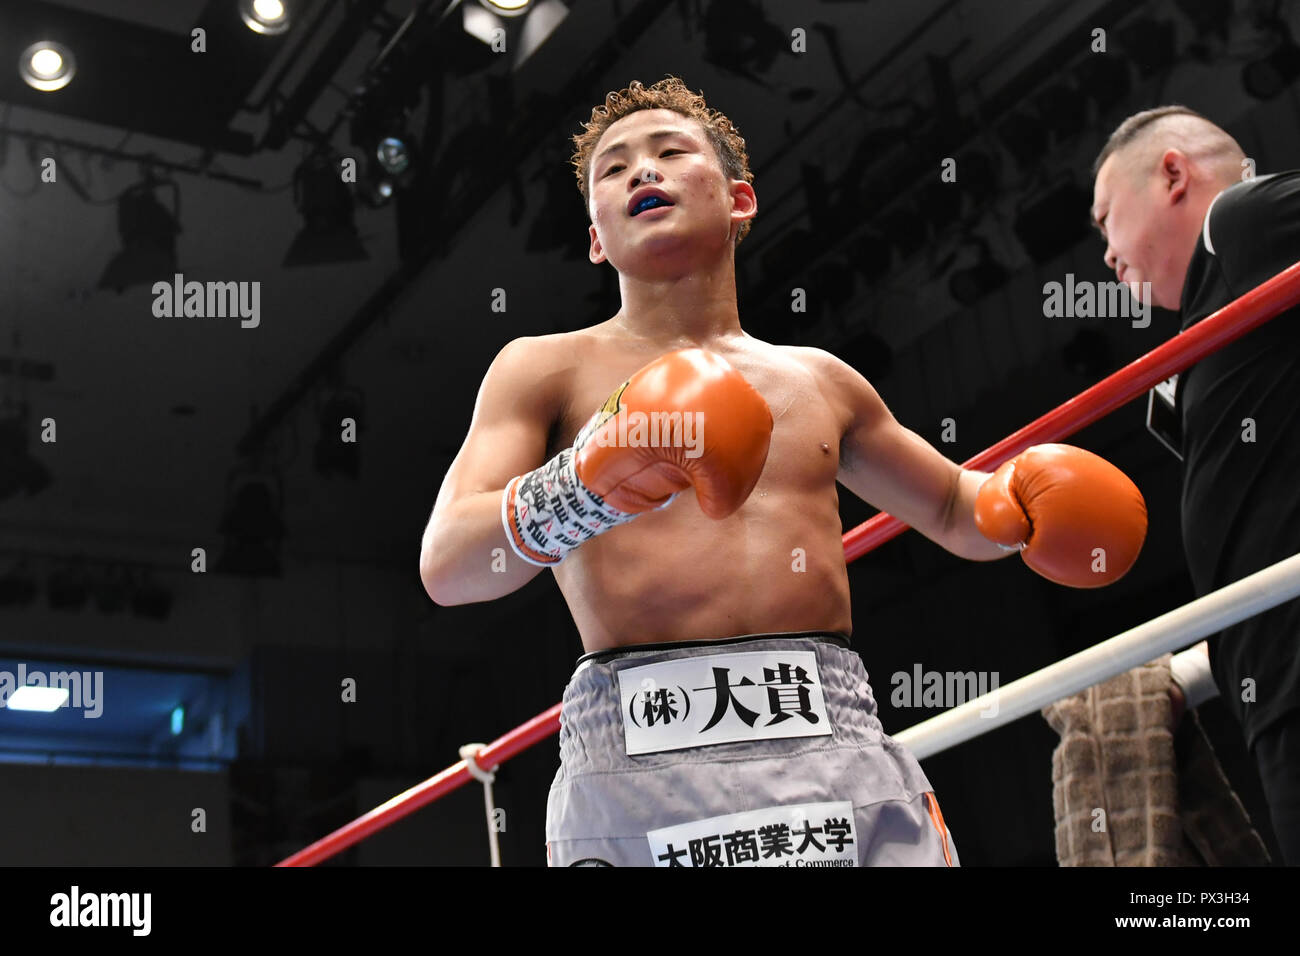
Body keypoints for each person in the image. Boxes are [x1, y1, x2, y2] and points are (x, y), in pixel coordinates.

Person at [419, 76, 1147, 867]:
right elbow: (451, 564)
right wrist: (587, 478)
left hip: (826, 724)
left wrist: (1016, 505)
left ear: (740, 200)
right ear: (595, 237)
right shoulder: (543, 369)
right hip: (638, 741)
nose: (641, 172)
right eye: (613, 168)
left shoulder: (820, 381)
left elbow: (947, 505)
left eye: (668, 151)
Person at [1091, 105, 1300, 864]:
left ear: (1173, 174)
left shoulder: (1240, 222)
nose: (1106, 253)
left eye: (1107, 218)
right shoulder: (1193, 357)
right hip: (1270, 675)